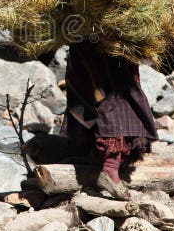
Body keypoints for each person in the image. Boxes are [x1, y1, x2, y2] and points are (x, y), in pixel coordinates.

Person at [61, 39, 157, 200]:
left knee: (114, 95)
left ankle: (109, 160)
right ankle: (108, 163)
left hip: (114, 42)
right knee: (103, 96)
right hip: (93, 41)